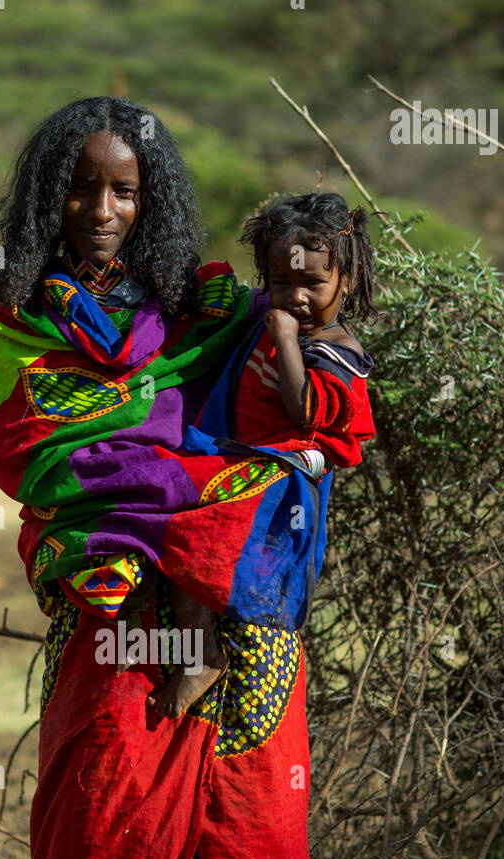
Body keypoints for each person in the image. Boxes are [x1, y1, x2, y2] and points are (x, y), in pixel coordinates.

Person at [0, 98, 353, 859]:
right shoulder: (15, 332)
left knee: (249, 847)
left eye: (125, 189)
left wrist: (207, 514)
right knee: (87, 843)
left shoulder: (214, 310)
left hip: (236, 628)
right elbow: (41, 463)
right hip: (118, 625)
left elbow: (309, 433)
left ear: (156, 199)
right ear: (49, 197)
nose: (101, 210)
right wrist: (161, 510)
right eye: (81, 188)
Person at [149, 192, 377, 719]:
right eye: (281, 283)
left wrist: (285, 338)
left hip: (280, 483)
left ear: (349, 282)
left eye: (312, 284)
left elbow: (303, 410)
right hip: (239, 461)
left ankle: (201, 657)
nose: (296, 297)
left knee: (187, 530)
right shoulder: (274, 322)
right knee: (165, 504)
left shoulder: (336, 352)